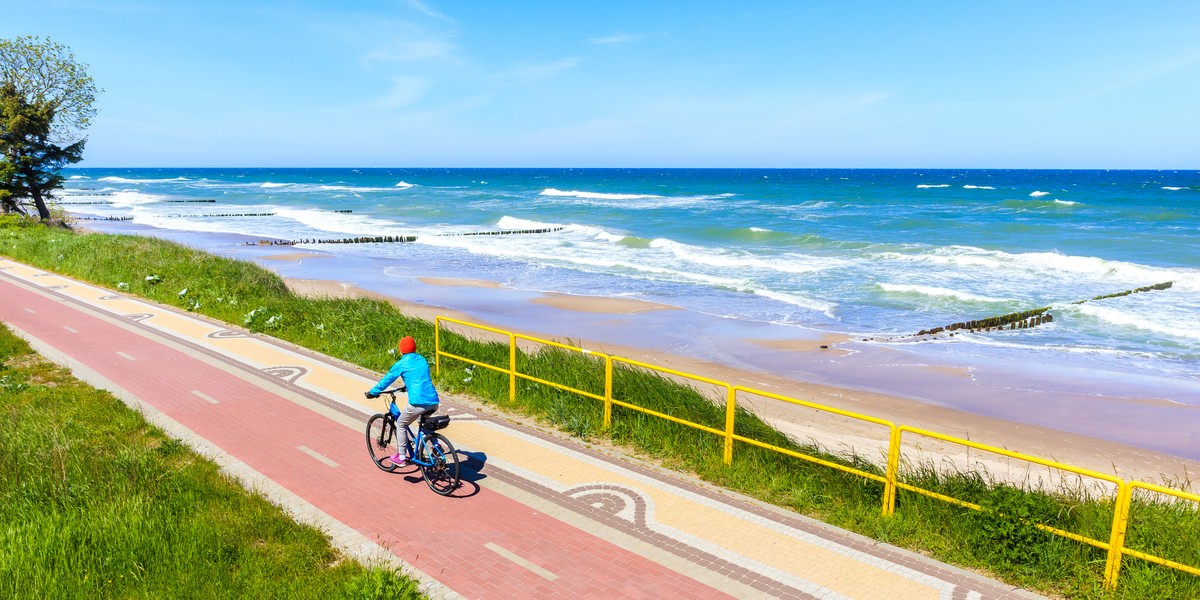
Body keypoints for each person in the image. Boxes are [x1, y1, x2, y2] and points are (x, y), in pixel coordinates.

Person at [365, 335, 440, 465]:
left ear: (401, 350)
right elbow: (419, 377)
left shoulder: (401, 363)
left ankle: (401, 457)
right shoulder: (422, 359)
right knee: (423, 422)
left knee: (401, 424)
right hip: (434, 401)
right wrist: (407, 386)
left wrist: (373, 392)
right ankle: (436, 446)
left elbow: (387, 380)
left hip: (418, 402)